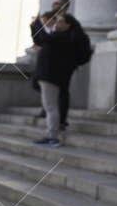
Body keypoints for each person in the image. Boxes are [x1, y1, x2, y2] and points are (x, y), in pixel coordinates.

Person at [31, 11, 90, 146]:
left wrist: (39, 24)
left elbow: (44, 38)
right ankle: (51, 134)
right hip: (50, 76)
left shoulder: (63, 38)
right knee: (50, 106)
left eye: (60, 21)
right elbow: (40, 39)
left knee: (50, 107)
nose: (56, 23)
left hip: (50, 76)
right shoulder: (62, 36)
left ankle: (53, 136)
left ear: (68, 25)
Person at [30, 0, 74, 134]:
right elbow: (43, 39)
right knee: (43, 91)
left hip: (61, 65)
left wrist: (39, 26)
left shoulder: (67, 22)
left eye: (57, 3)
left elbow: (55, 40)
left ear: (65, 5)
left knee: (60, 93)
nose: (54, 5)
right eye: (53, 3)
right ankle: (51, 117)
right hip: (47, 63)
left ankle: (59, 123)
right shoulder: (51, 19)